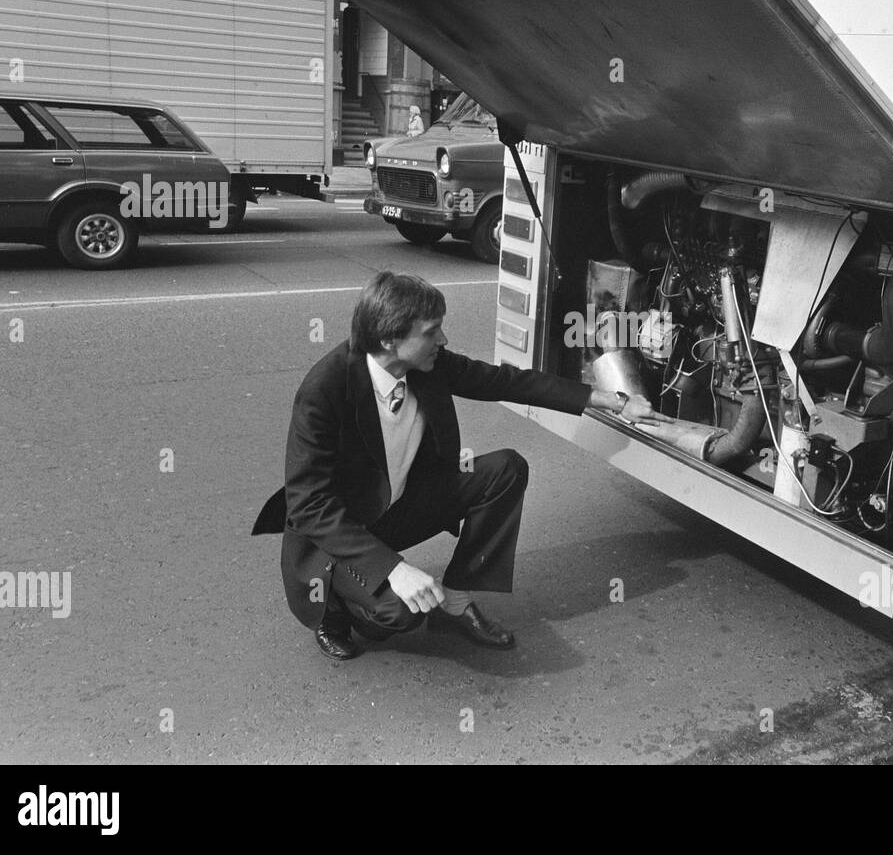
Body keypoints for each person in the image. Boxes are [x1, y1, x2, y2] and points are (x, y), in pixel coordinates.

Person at [252, 271, 667, 660]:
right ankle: (336, 605)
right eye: (431, 332)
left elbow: (505, 381)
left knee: (505, 470)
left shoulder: (428, 365)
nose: (443, 339)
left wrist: (609, 399)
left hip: (391, 508)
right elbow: (308, 504)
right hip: (333, 534)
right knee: (398, 615)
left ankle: (456, 599)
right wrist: (392, 568)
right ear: (390, 339)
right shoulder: (324, 389)